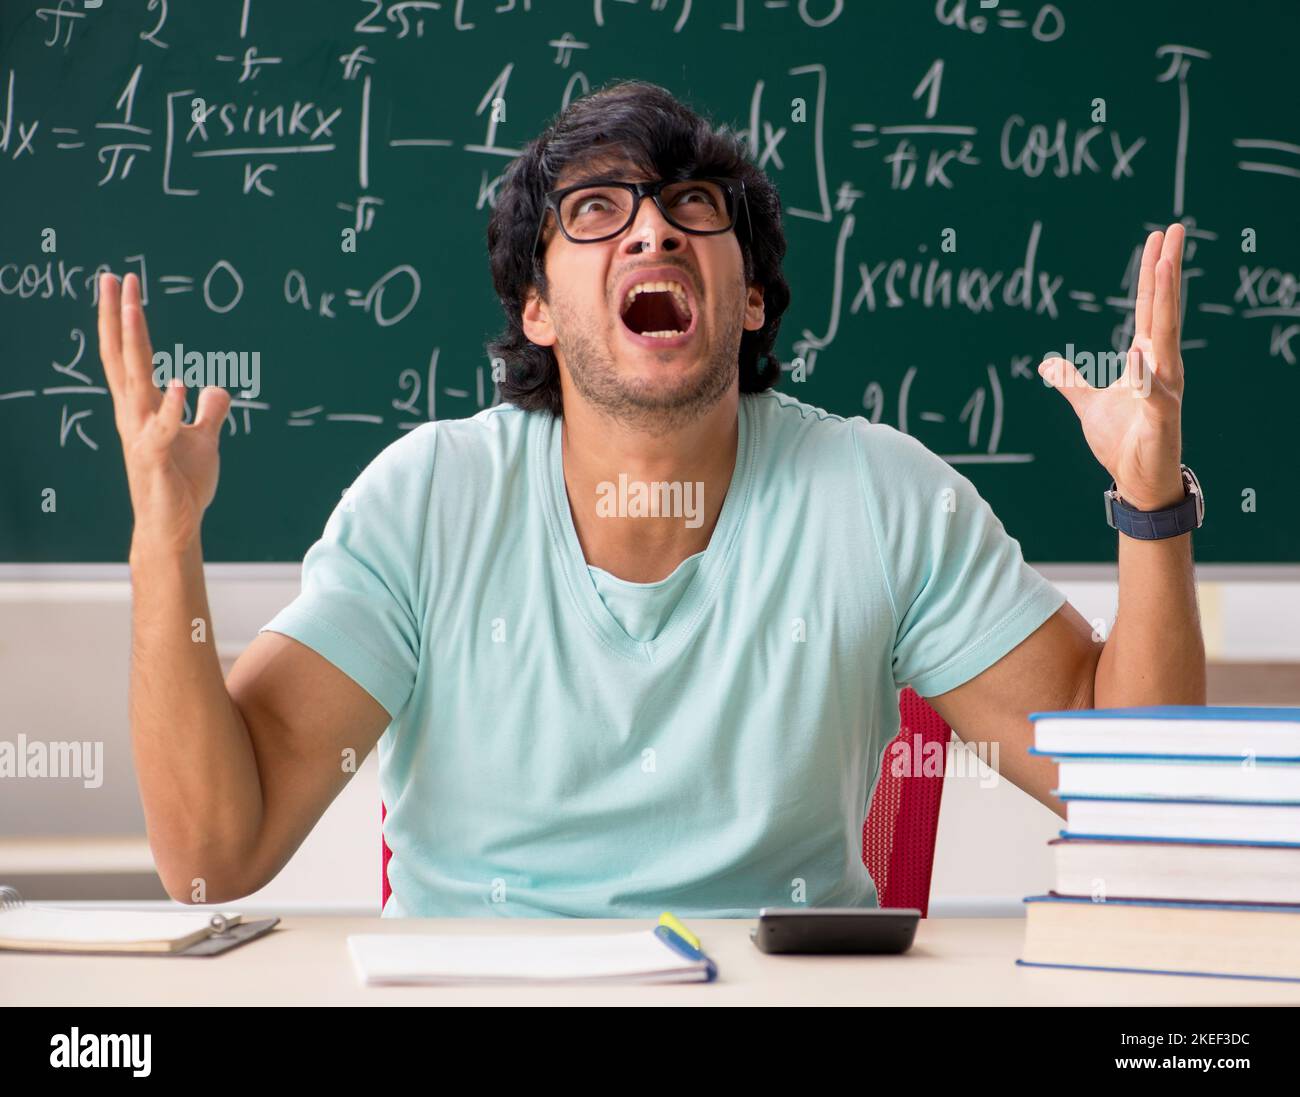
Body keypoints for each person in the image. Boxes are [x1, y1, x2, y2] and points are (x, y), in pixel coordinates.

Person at [97, 80, 1204, 916]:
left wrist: (1151, 504)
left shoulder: (879, 492)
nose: (650, 228)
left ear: (754, 298)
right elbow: (212, 855)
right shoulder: (427, 501)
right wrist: (163, 540)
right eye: (594, 210)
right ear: (535, 307)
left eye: (690, 206)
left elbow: (1139, 794)